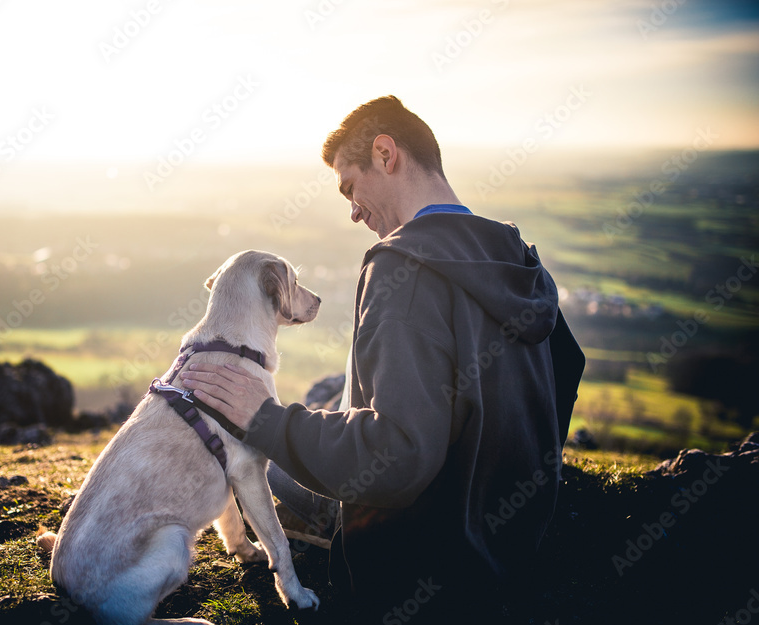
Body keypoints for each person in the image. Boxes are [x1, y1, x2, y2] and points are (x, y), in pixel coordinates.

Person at [181, 95, 585, 598]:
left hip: (431, 557)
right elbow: (566, 370)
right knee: (335, 401)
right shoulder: (518, 256)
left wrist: (266, 420)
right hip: (514, 538)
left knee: (259, 461)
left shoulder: (401, 266)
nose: (352, 212)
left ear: (386, 154)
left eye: (350, 187)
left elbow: (396, 458)